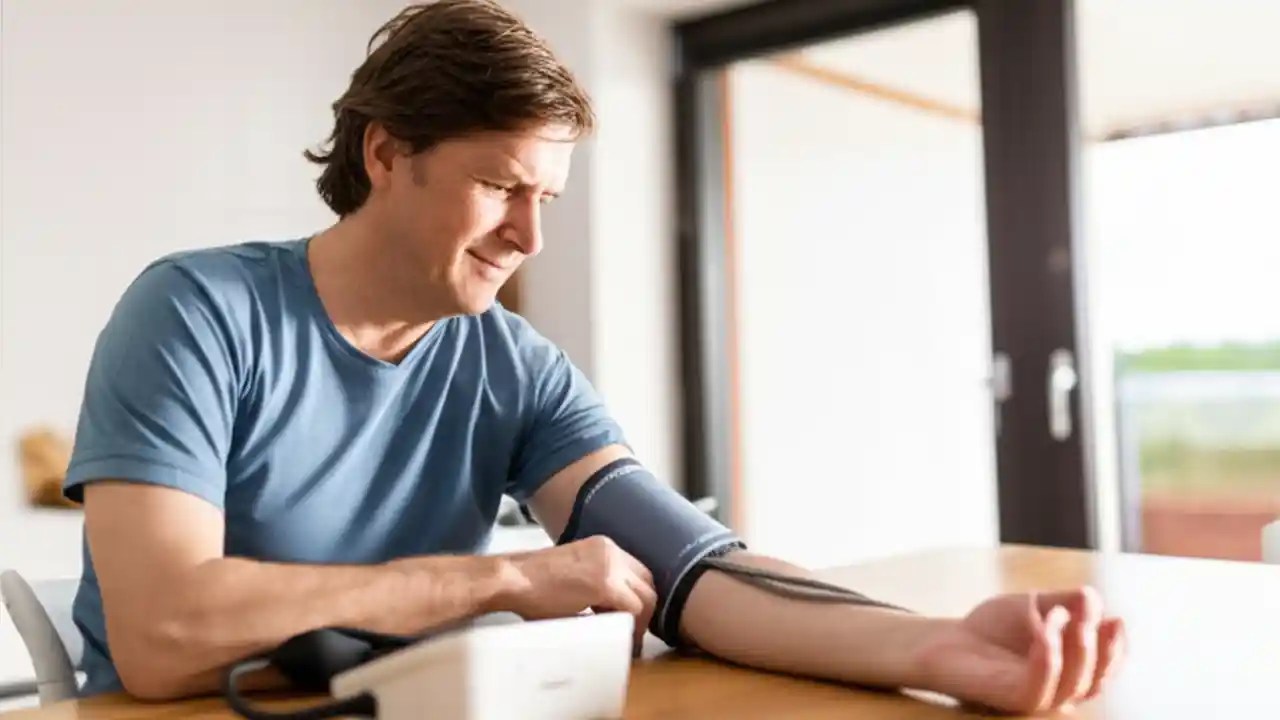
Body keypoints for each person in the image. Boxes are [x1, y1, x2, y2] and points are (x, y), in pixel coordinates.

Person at [63, 0, 1125, 714]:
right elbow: (164, 636)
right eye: (498, 187)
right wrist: (505, 574)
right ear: (387, 154)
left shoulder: (511, 363)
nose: (528, 238)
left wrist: (929, 646)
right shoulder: (199, 312)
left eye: (547, 202)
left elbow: (693, 569)